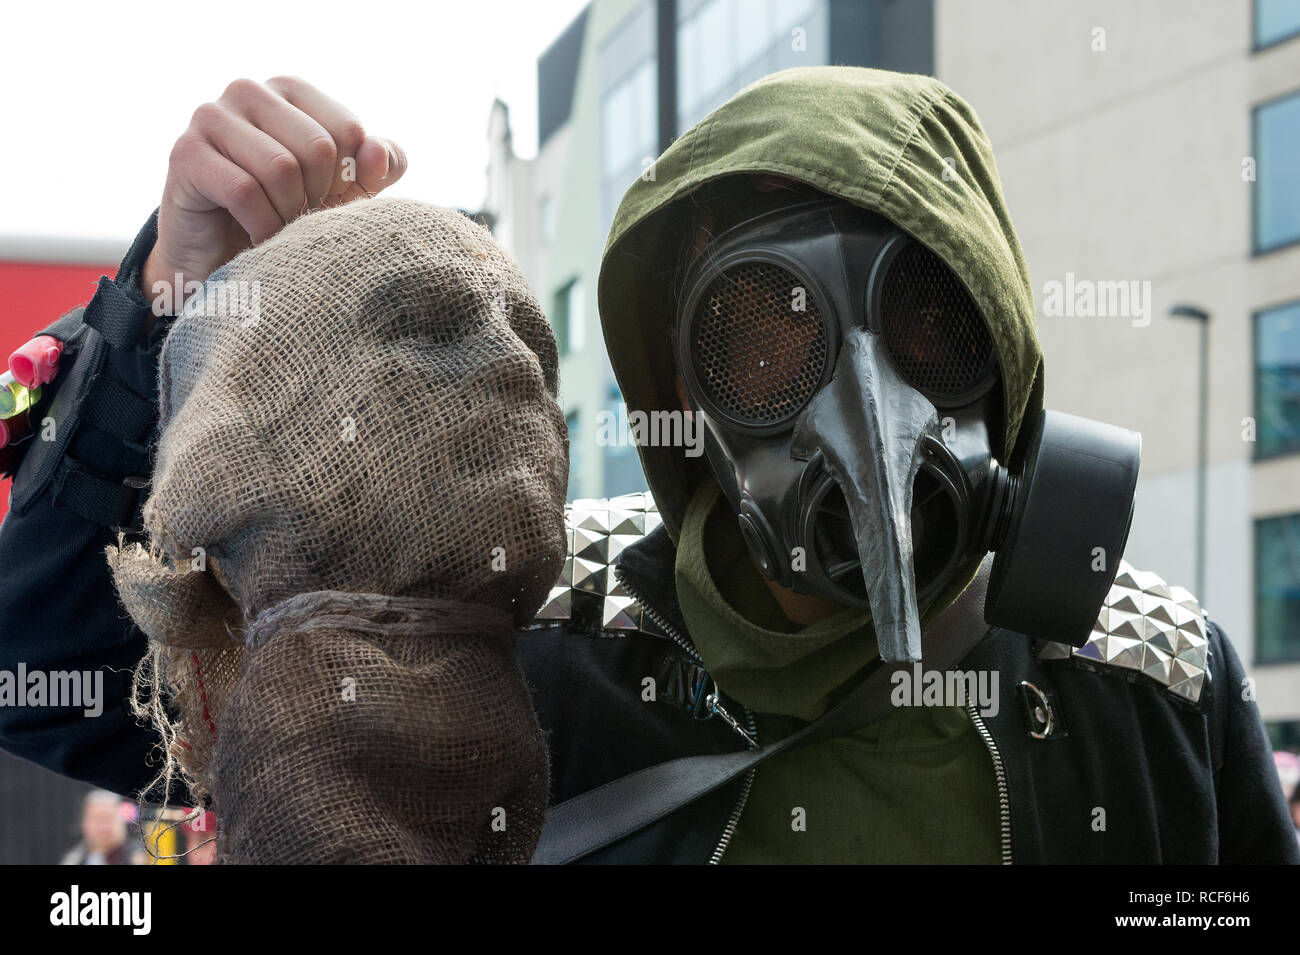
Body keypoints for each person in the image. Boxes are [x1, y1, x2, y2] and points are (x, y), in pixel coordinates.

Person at [1, 69, 1295, 864]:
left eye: (928, 324)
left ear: (1005, 359)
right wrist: (171, 303)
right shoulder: (531, 634)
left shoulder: (1150, 689)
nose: (862, 400)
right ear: (678, 389)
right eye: (767, 326)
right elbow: (48, 675)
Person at [59, 789, 145, 865]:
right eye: (97, 819)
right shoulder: (74, 859)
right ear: (84, 822)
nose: (103, 826)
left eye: (108, 818)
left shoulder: (139, 858)